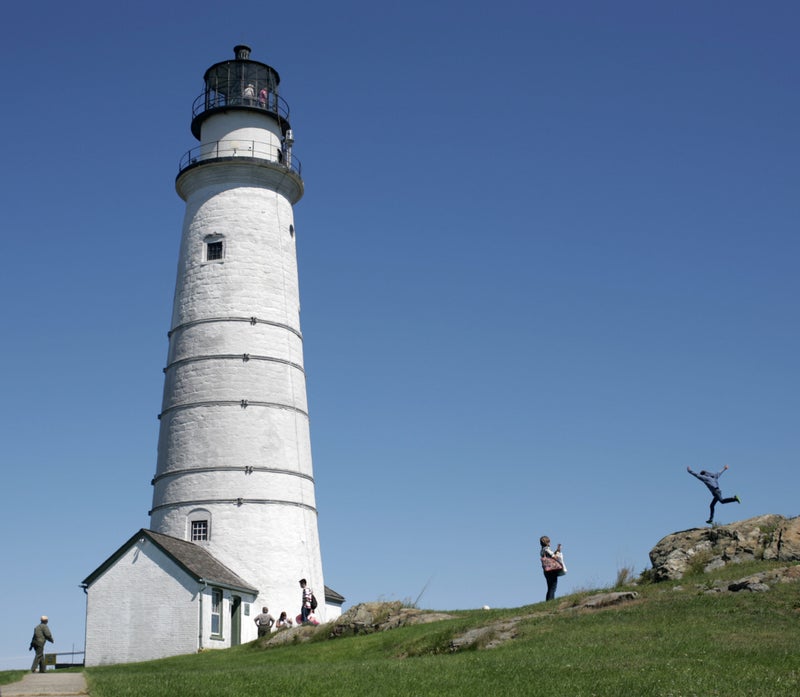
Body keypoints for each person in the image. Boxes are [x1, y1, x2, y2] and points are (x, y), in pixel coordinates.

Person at [539, 536, 563, 601]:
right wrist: (558, 553)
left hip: (546, 571)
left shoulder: (542, 550)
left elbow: (550, 555)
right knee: (553, 587)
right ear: (547, 542)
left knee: (549, 587)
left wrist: (557, 551)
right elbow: (553, 556)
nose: (550, 543)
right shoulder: (547, 549)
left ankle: (548, 601)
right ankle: (551, 601)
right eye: (549, 541)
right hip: (552, 570)